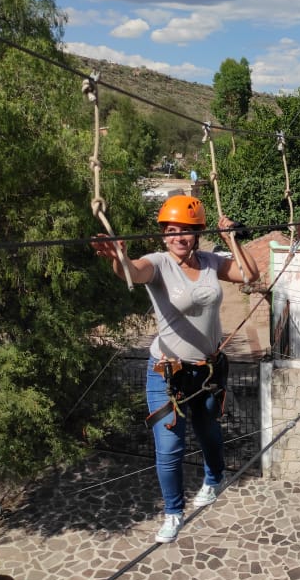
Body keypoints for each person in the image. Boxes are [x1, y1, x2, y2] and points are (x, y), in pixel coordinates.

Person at [91, 194, 260, 543]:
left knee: (209, 429)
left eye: (185, 231)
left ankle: (214, 479)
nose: (178, 237)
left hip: (209, 370)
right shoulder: (158, 264)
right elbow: (134, 272)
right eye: (171, 231)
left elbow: (249, 274)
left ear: (197, 234)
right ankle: (173, 511)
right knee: (169, 448)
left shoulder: (212, 262)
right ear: (163, 235)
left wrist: (231, 238)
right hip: (167, 372)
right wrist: (120, 257)